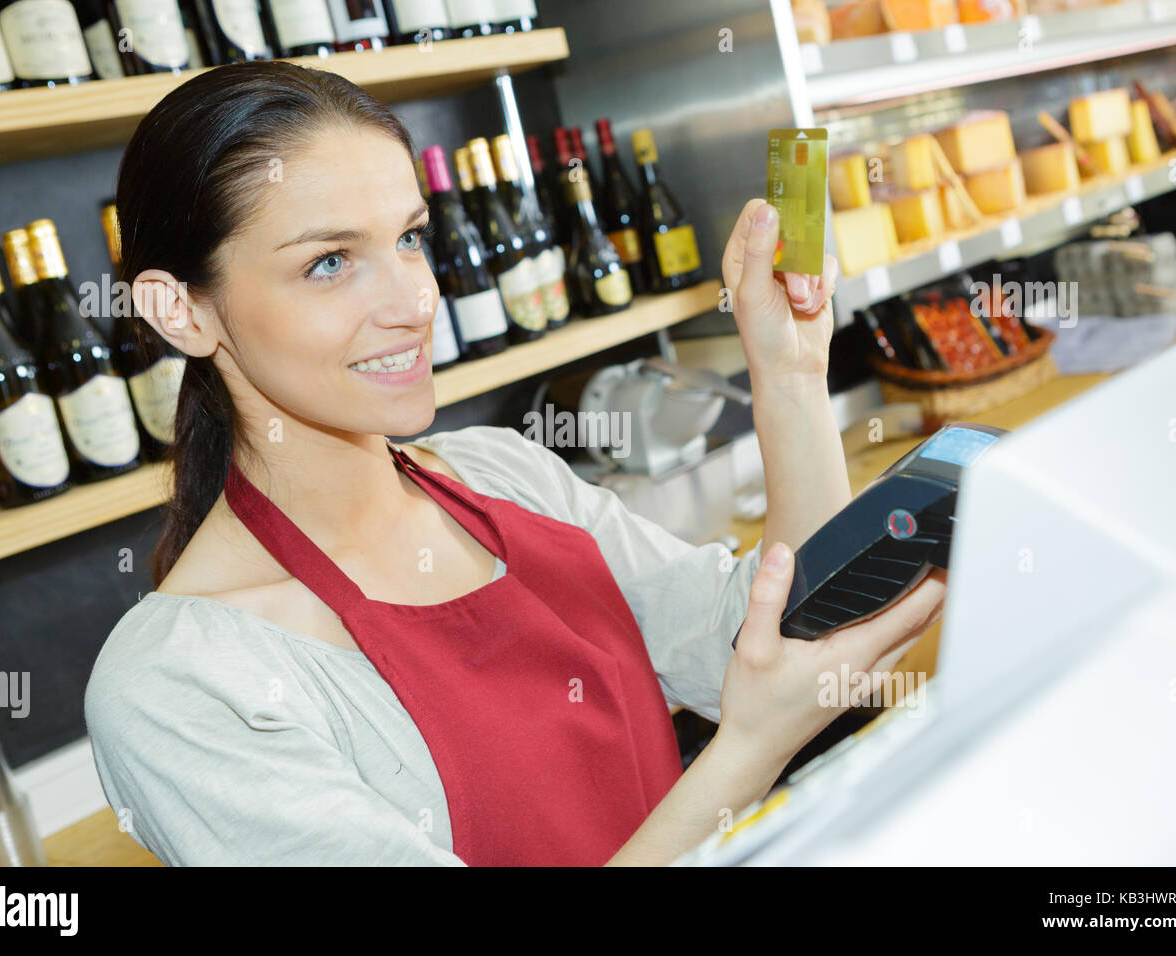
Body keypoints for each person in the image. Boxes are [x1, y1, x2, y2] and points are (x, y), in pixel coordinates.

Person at [83, 60, 945, 867]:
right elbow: (768, 705)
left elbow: (779, 637)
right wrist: (752, 751)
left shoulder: (502, 476)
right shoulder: (179, 686)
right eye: (331, 262)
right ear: (180, 312)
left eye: (411, 238)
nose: (415, 301)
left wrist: (790, 378)